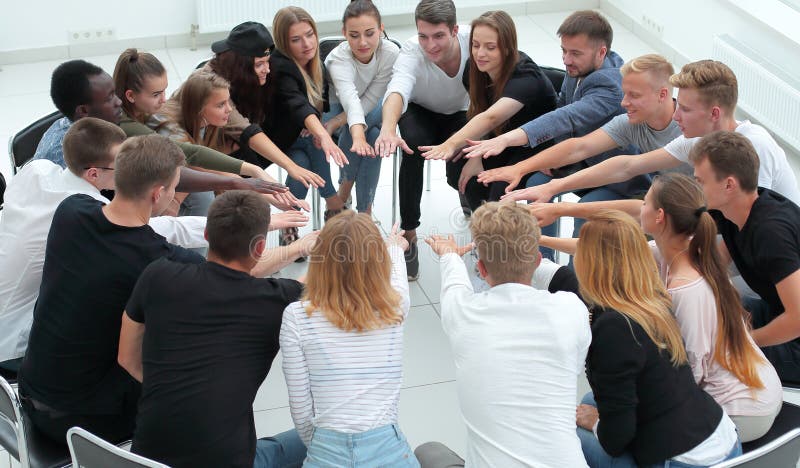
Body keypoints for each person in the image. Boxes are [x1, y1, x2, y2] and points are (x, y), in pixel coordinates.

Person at [538, 173, 783, 442]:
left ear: (660, 217)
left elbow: (688, 377)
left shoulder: (686, 290)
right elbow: (598, 249)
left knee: (588, 425)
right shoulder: (681, 251)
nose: (640, 207)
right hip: (754, 390)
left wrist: (605, 421)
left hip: (742, 412)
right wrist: (540, 240)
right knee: (597, 401)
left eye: (645, 203)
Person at [18, 134, 204, 445]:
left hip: (31, 391)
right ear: (158, 194)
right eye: (173, 188)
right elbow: (230, 277)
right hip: (82, 421)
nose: (174, 194)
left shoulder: (71, 211)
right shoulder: (159, 261)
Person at [0, 118, 216, 374]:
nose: (129, 168)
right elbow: (160, 230)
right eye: (120, 165)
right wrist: (228, 227)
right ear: (93, 173)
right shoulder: (83, 211)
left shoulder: (37, 169)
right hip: (14, 344)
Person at [119, 191, 314, 468]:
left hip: (146, 459)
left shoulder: (157, 276)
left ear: (207, 235)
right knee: (327, 437)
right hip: (229, 461)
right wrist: (315, 248)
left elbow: (126, 358)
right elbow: (317, 285)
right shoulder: (278, 300)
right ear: (260, 247)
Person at [417, 202, 591, 467]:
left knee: (428, 452)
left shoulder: (463, 312)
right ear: (537, 260)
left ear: (481, 269)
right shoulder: (571, 309)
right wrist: (522, 256)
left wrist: (449, 253)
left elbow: (454, 280)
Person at [461, 10, 639, 260]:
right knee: (536, 185)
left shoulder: (610, 86)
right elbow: (562, 108)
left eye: (575, 53)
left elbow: (566, 118)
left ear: (601, 52)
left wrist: (506, 139)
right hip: (581, 161)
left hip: (616, 181)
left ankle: (576, 278)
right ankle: (541, 261)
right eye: (564, 51)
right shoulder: (580, 68)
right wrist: (556, 159)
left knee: (585, 216)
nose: (566, 60)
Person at [506, 60, 800, 206]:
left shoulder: (755, 149)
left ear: (714, 114)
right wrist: (553, 187)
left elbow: (747, 232)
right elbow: (626, 165)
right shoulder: (698, 142)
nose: (677, 115)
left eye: (685, 109)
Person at [573, 210, 740, 467]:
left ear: (590, 263)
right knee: (588, 402)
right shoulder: (654, 299)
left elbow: (615, 440)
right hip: (721, 437)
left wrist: (596, 422)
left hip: (683, 460)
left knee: (569, 433)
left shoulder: (614, 328)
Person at [32, 59, 295, 209]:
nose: (118, 102)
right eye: (110, 97)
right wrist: (242, 178)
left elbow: (176, 157)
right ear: (83, 110)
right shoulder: (75, 154)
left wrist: (243, 177)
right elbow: (179, 156)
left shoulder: (96, 127)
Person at [280, 213, 416, 467]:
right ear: (377, 263)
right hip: (390, 450)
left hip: (325, 450)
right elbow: (398, 279)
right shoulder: (395, 307)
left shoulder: (296, 317)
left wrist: (321, 448)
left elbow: (300, 407)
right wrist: (394, 249)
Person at [477, 53, 683, 192]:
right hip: (664, 194)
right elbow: (579, 147)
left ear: (662, 94)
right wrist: (520, 168)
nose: (624, 102)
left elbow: (626, 167)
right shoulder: (630, 123)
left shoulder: (688, 132)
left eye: (634, 95)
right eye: (625, 93)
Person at [419, 10, 557, 212]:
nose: (480, 54)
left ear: (507, 47)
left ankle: (496, 227)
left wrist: (450, 144)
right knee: (462, 168)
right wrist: (476, 156)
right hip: (502, 139)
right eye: (475, 45)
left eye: (490, 47)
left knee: (498, 187)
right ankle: (482, 224)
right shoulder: (474, 69)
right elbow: (479, 111)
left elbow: (491, 117)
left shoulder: (526, 76)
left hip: (536, 144)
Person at [690, 131, 800, 383]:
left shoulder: (771, 233)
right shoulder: (734, 210)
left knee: (714, 358)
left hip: (795, 334)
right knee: (707, 319)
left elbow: (797, 319)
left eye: (700, 182)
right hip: (776, 310)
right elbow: (716, 261)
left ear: (729, 185)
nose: (696, 189)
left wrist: (745, 341)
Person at [373, 0, 471, 280]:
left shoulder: (473, 40)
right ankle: (409, 234)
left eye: (438, 36)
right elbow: (397, 90)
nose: (430, 45)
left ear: (454, 30)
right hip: (420, 111)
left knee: (463, 161)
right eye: (423, 36)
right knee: (412, 148)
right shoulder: (412, 50)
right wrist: (388, 128)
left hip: (461, 113)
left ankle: (469, 200)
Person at [113, 48, 278, 184]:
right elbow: (190, 153)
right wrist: (252, 171)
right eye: (156, 94)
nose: (164, 99)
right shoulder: (128, 124)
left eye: (164, 91)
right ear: (130, 96)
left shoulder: (145, 111)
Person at [203, 22, 325, 190]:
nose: (266, 69)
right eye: (259, 64)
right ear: (241, 65)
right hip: (193, 159)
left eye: (267, 62)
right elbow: (245, 130)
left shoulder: (244, 78)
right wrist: (290, 166)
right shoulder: (211, 83)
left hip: (228, 150)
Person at [266, 6, 349, 242]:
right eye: (296, 39)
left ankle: (290, 219)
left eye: (310, 35)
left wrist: (317, 129)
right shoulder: (280, 66)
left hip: (301, 139)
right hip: (277, 140)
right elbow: (297, 104)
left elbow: (317, 108)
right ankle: (333, 201)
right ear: (284, 43)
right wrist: (321, 134)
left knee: (303, 162)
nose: (307, 44)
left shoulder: (315, 64)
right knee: (315, 142)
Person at [324, 0, 400, 214]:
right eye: (354, 35)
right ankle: (364, 213)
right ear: (344, 33)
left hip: (364, 110)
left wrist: (345, 126)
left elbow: (371, 99)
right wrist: (357, 136)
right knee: (372, 135)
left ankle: (343, 193)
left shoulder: (390, 53)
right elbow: (350, 101)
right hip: (336, 107)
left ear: (381, 29)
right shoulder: (338, 59)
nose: (362, 42)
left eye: (369, 33)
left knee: (371, 133)